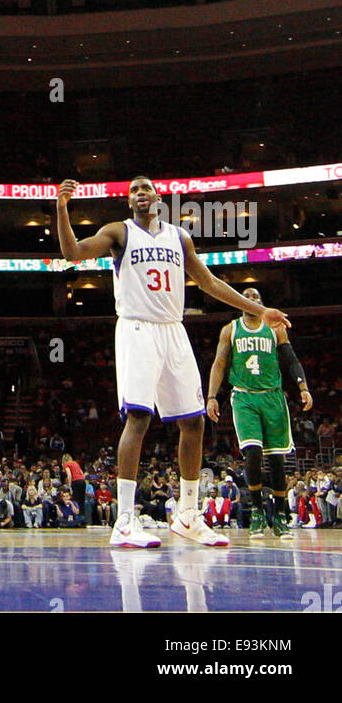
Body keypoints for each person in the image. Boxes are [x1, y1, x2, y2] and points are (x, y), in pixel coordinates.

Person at [56, 175, 290, 549]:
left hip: (174, 329)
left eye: (145, 188)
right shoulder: (119, 232)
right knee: (139, 417)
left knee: (193, 422)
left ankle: (187, 515)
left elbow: (211, 283)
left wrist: (261, 311)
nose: (140, 193)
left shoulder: (179, 237)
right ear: (129, 201)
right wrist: (62, 210)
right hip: (137, 329)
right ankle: (126, 520)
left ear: (157, 196)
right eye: (134, 190)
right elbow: (73, 253)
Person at [206, 286, 310, 541]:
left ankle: (281, 515)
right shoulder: (230, 329)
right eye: (246, 296)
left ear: (263, 303)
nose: (251, 299)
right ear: (240, 302)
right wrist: (211, 396)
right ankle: (257, 511)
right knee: (252, 454)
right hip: (243, 396)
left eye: (256, 297)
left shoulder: (275, 328)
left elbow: (291, 358)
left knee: (276, 461)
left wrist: (303, 387)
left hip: (273, 397)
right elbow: (219, 363)